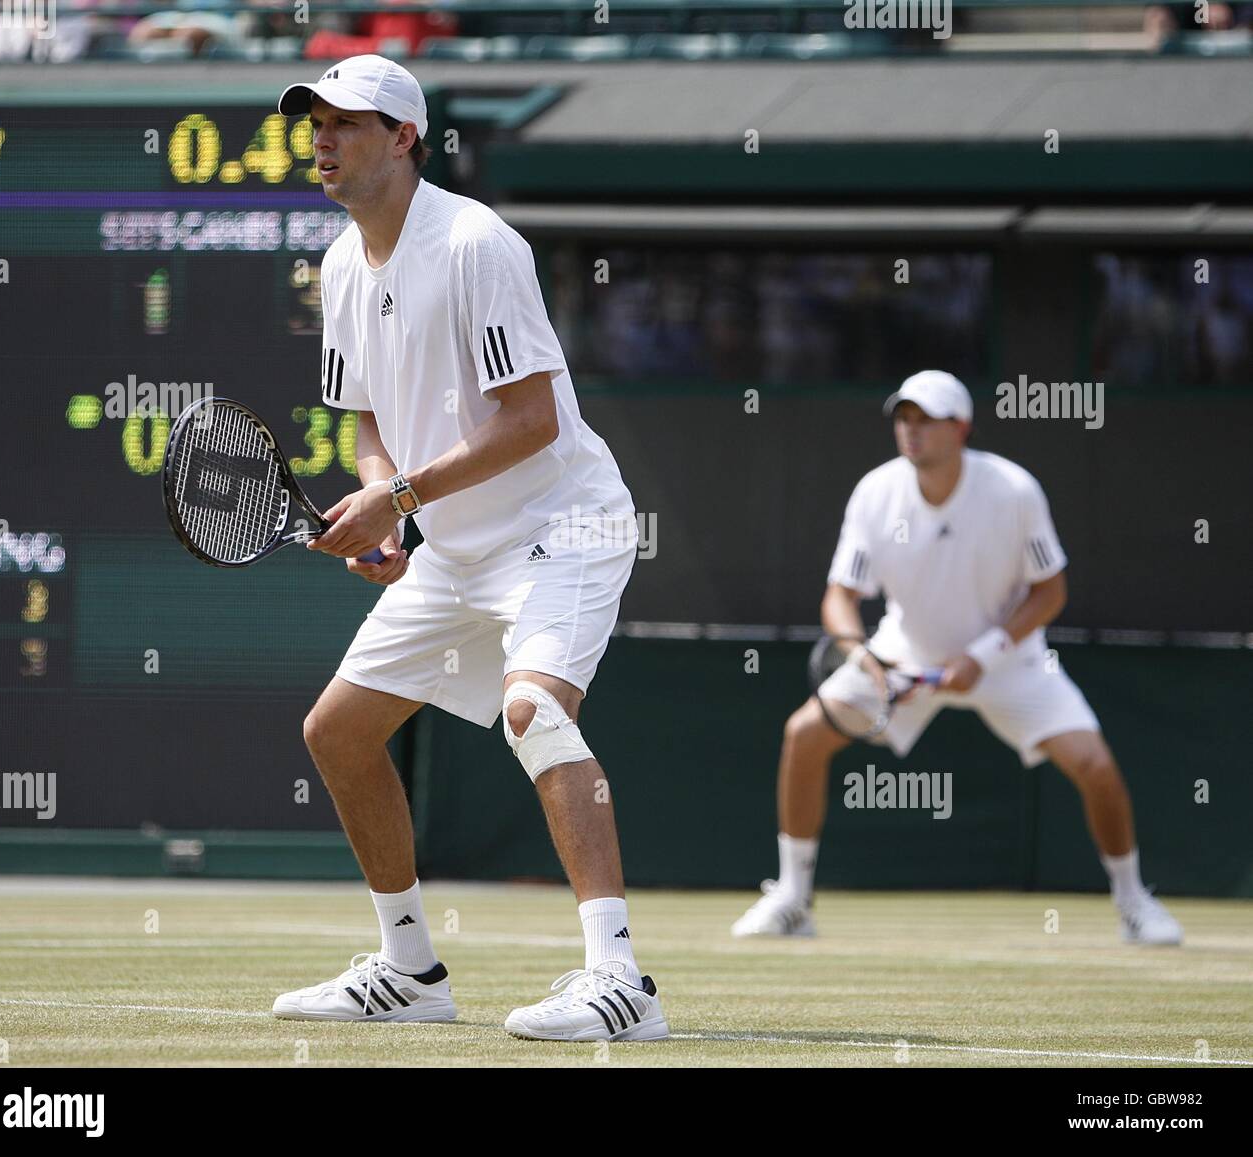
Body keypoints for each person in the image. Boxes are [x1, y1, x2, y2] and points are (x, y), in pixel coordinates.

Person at [268, 56, 669, 1042]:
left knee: (530, 711)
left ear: (405, 137)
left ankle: (621, 980)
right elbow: (367, 422)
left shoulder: (476, 241)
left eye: (347, 123)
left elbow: (529, 420)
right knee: (337, 731)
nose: (323, 139)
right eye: (314, 122)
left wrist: (398, 492)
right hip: (454, 545)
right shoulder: (337, 265)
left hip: (560, 525)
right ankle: (409, 966)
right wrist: (386, 505)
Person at [732, 370, 1184, 946]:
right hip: (901, 654)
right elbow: (840, 597)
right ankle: (793, 899)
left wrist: (984, 654)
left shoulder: (1013, 491)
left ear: (962, 427)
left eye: (926, 419)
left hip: (1009, 659)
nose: (911, 430)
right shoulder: (876, 491)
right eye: (904, 418)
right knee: (803, 736)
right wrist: (861, 653)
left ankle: (1133, 902)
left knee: (1095, 766)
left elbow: (1051, 591)